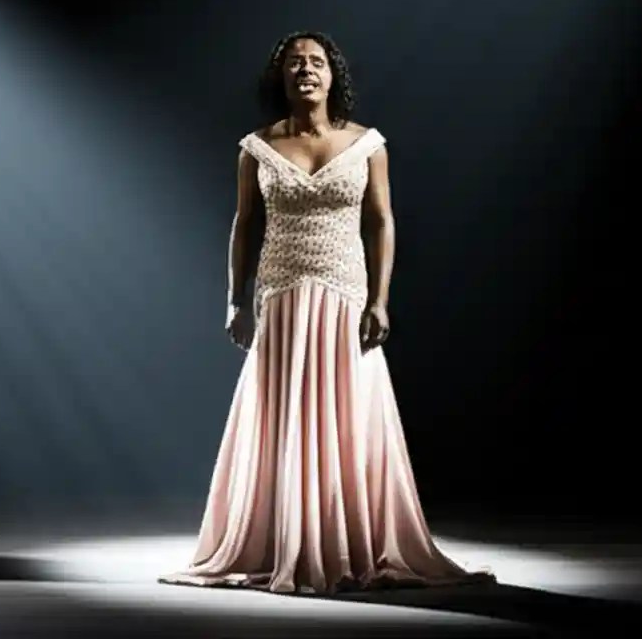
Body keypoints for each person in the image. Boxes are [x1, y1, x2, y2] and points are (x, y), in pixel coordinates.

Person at [158, 31, 495, 595]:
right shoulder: (257, 148)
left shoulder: (367, 145)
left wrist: (380, 299)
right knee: (282, 418)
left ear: (333, 75)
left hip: (344, 299)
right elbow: (245, 225)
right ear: (281, 77)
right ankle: (281, 541)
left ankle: (346, 543)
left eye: (316, 62)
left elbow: (381, 221)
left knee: (349, 418)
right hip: (283, 301)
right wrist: (235, 299)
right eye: (295, 63)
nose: (306, 70)